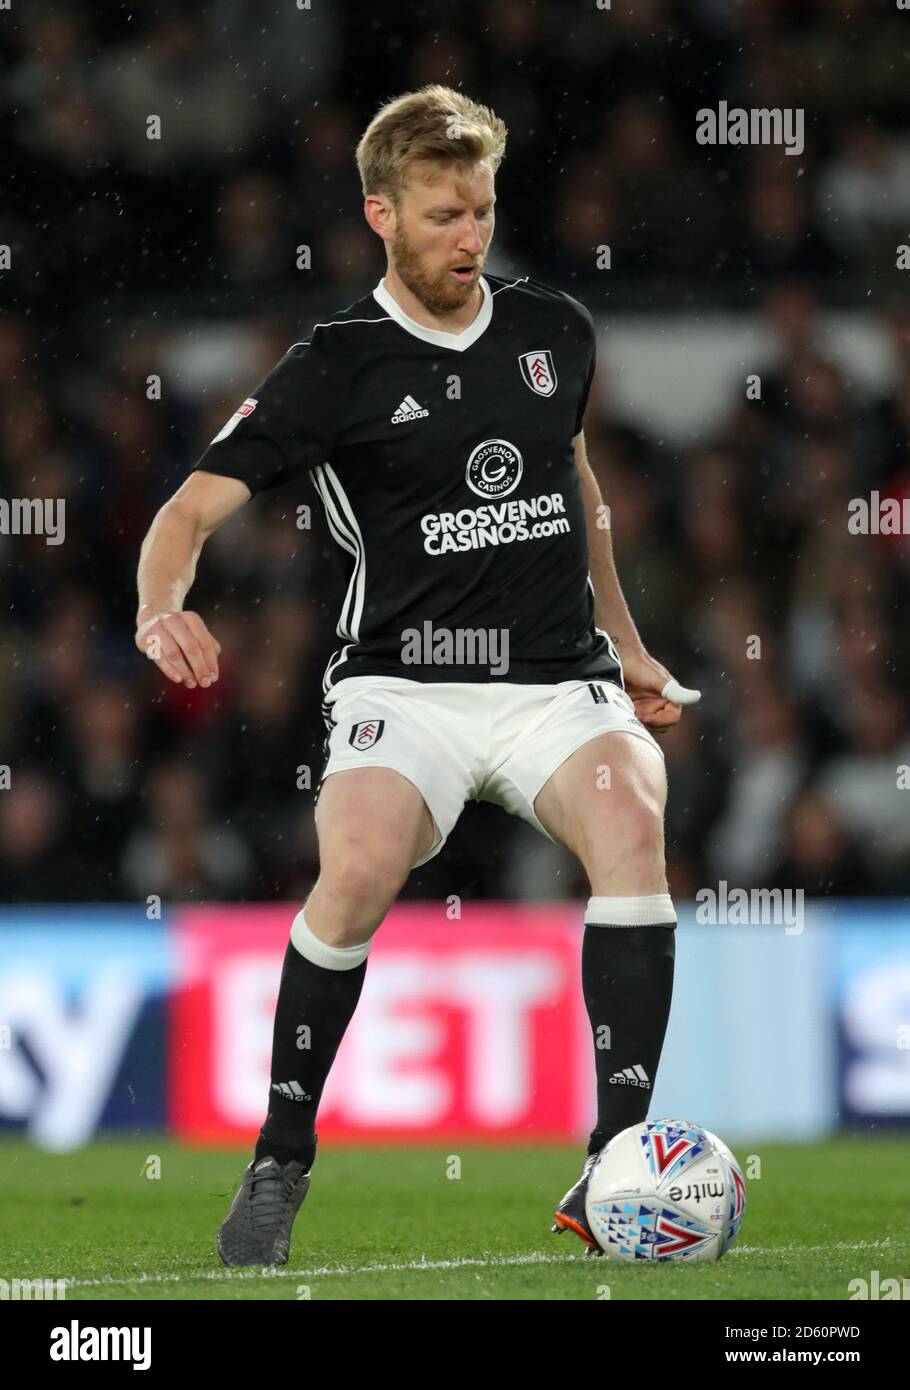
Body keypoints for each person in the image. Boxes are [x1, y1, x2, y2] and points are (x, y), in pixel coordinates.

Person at [134, 85, 700, 1267]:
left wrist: (631, 644)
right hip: (406, 683)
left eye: (484, 210)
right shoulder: (335, 366)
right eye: (445, 214)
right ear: (379, 214)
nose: (472, 236)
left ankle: (617, 1161)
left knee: (634, 816)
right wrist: (158, 605)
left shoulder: (554, 329)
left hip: (554, 677)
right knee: (358, 863)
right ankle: (281, 1157)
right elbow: (188, 509)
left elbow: (578, 495)